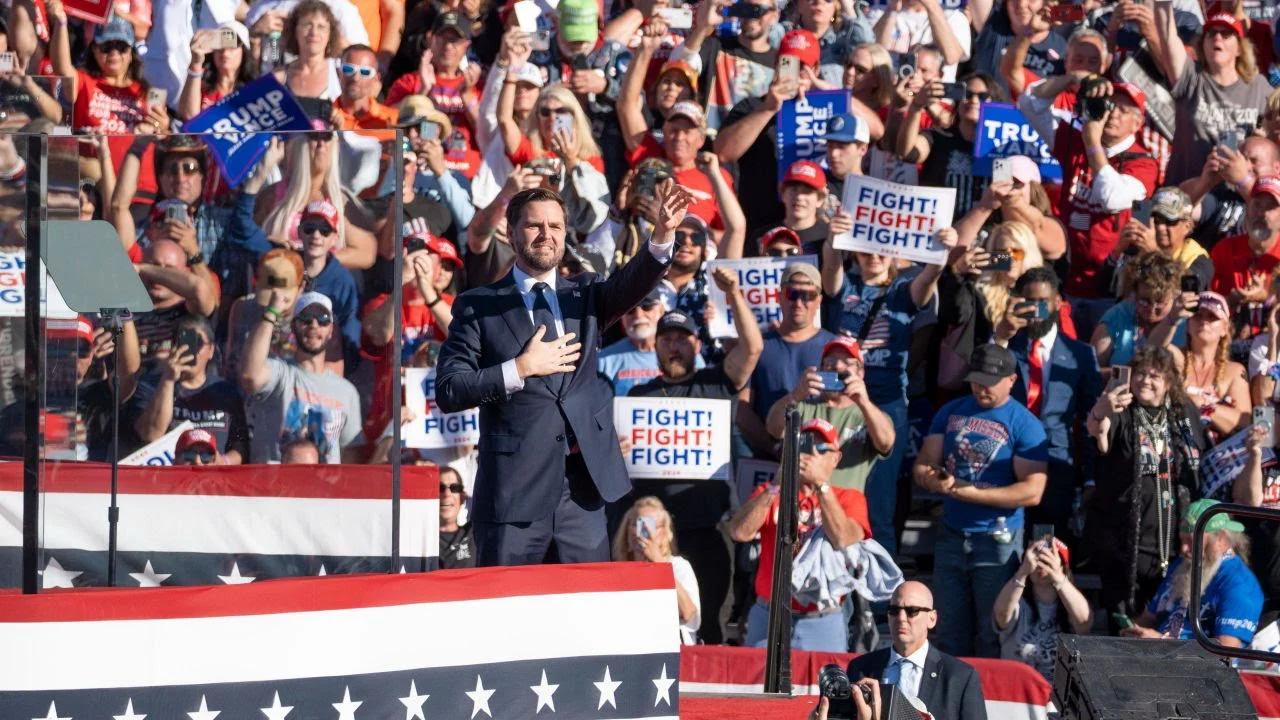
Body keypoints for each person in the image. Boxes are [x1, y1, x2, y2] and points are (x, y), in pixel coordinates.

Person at [435, 183, 695, 566]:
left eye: (555, 227)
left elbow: (634, 282)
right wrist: (520, 368)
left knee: (585, 613)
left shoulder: (586, 294)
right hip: (513, 496)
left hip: (582, 495)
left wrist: (662, 236)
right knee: (509, 613)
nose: (546, 235)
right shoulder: (478, 305)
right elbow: (450, 389)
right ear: (510, 233)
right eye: (535, 226)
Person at [627, 269, 765, 645]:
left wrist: (734, 293)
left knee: (712, 624)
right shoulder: (637, 397)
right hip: (656, 533)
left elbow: (752, 348)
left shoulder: (716, 383)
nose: (674, 346)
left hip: (709, 526)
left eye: (682, 339)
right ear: (655, 348)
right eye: (666, 339)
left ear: (696, 345)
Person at [822, 225, 959, 553]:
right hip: (840, 402)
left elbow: (929, 279)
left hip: (886, 403)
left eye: (881, 250)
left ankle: (882, 599)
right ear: (855, 251)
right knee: (836, 492)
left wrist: (942, 251)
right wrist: (832, 237)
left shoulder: (903, 289)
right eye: (867, 250)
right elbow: (829, 269)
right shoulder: (846, 286)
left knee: (880, 502)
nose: (874, 257)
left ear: (895, 253)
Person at [914, 343, 1050, 657]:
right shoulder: (950, 412)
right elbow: (923, 464)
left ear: (1011, 380)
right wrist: (933, 478)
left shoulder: (1024, 423)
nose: (981, 388)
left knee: (992, 631)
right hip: (952, 533)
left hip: (997, 539)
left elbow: (1033, 490)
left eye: (989, 381)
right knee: (948, 630)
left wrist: (970, 492)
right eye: (976, 379)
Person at [1085, 345, 1207, 627]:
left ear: (1168, 382)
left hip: (1170, 536)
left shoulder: (1182, 412)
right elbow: (1100, 435)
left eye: (1155, 375)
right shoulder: (1120, 407)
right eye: (1140, 373)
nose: (1145, 381)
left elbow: (1193, 460)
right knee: (1124, 624)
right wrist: (1101, 410)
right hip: (1122, 537)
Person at [729, 418, 872, 652]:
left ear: (835, 459)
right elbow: (739, 532)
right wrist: (777, 484)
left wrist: (821, 486)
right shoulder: (769, 492)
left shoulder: (849, 497)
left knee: (824, 688)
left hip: (823, 618)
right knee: (756, 687)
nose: (811, 454)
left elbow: (843, 539)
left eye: (821, 449)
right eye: (804, 446)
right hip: (770, 613)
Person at [995, 267, 1103, 543]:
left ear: (1058, 302)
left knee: (1047, 541)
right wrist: (1002, 337)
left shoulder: (1080, 354)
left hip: (1056, 461)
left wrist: (1090, 476)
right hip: (1007, 457)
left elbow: (1090, 417)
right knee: (1008, 541)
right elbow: (982, 385)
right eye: (1030, 302)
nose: (1037, 309)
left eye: (1043, 302)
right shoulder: (1005, 343)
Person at [1053, 81, 1159, 338]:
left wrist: (1092, 142)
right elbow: (1029, 104)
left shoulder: (1144, 163)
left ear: (1137, 123)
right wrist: (1070, 77)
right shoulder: (1074, 138)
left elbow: (1111, 198)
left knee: (1096, 361)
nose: (1112, 113)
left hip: (1108, 290)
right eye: (1109, 106)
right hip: (1063, 283)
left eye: (1123, 110)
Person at [1150, 7, 1272, 186]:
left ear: (1239, 48)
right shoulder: (1190, 78)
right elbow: (1168, 36)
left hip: (1235, 198)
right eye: (1211, 33)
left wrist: (1264, 134)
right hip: (1186, 195)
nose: (1217, 38)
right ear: (1202, 45)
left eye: (1226, 34)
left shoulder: (1259, 87)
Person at [240, 290, 364, 464]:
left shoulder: (347, 391)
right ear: (293, 326)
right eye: (306, 318)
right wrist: (272, 312)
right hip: (275, 486)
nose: (314, 324)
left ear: (330, 330)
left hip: (323, 488)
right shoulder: (280, 373)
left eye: (322, 319)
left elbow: (351, 454)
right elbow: (249, 375)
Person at [1124, 499, 1264, 648]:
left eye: (1191, 541)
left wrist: (1161, 641)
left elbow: (1227, 650)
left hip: (1195, 667)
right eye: (1182, 541)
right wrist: (1134, 632)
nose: (1184, 549)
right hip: (1157, 655)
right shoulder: (1184, 565)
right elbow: (1149, 617)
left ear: (1221, 539)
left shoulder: (1239, 583)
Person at [765, 336, 896, 492]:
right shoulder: (802, 407)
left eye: (847, 363)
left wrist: (864, 403)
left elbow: (886, 442)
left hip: (844, 508)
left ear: (860, 373)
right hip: (801, 506)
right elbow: (773, 427)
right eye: (830, 362)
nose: (837, 367)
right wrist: (796, 394)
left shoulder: (868, 415)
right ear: (820, 369)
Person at [846, 581, 988, 720]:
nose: (901, 618)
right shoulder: (860, 668)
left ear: (932, 618)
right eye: (894, 611)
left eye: (912, 611)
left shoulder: (960, 676)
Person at [742, 262, 837, 459]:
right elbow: (742, 410)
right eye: (792, 294)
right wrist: (773, 447)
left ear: (819, 300)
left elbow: (841, 405)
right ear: (779, 297)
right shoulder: (758, 346)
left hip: (820, 459)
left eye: (808, 296)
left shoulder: (835, 348)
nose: (799, 302)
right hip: (767, 458)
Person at [129, 318, 249, 464]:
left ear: (211, 350)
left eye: (197, 343)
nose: (190, 350)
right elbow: (151, 434)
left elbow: (241, 446)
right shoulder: (150, 387)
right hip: (169, 479)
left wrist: (223, 462)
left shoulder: (226, 391)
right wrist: (168, 379)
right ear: (173, 347)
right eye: (183, 343)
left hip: (214, 480)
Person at [992, 535, 1092, 681]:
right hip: (1016, 691)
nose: (1041, 565)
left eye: (1047, 560)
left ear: (1063, 566)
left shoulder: (1071, 604)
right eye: (1037, 559)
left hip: (1056, 696)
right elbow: (1001, 615)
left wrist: (1057, 577)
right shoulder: (1015, 600)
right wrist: (1023, 572)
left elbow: (1084, 622)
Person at [612, 496, 702, 645]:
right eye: (636, 524)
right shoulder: (618, 571)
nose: (641, 532)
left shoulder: (679, 567)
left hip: (669, 648)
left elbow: (688, 613)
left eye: (650, 524)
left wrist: (659, 563)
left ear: (664, 532)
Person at [1091, 252, 1186, 369]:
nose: (1152, 308)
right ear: (1134, 293)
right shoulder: (1116, 317)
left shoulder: (1187, 325)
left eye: (1160, 302)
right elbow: (1092, 370)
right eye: (1144, 301)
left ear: (1175, 296)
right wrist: (1124, 376)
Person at [1181, 291, 1250, 443]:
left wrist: (1201, 404)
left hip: (1215, 458)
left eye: (1212, 317)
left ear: (1224, 328)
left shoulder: (1235, 371)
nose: (1204, 321)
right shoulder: (1175, 358)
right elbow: (1156, 348)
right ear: (1188, 324)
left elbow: (1244, 422)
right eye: (1198, 315)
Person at [1210, 176, 1280, 307]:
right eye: (1257, 204)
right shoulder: (1225, 250)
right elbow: (1207, 308)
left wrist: (1266, 298)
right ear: (1247, 208)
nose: (1261, 213)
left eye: (1270, 207)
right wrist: (1232, 300)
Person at [597, 289, 667, 397]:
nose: (638, 315)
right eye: (630, 310)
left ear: (661, 311)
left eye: (646, 307)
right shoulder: (603, 360)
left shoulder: (682, 354)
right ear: (621, 317)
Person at [178, 22, 254, 119]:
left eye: (232, 46)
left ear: (244, 51)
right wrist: (196, 63)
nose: (225, 53)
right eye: (220, 46)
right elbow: (189, 118)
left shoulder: (254, 89)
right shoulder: (198, 85)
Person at [439, 466, 477, 569]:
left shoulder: (475, 535)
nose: (447, 494)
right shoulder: (420, 541)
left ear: (463, 497)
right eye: (440, 488)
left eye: (455, 488)